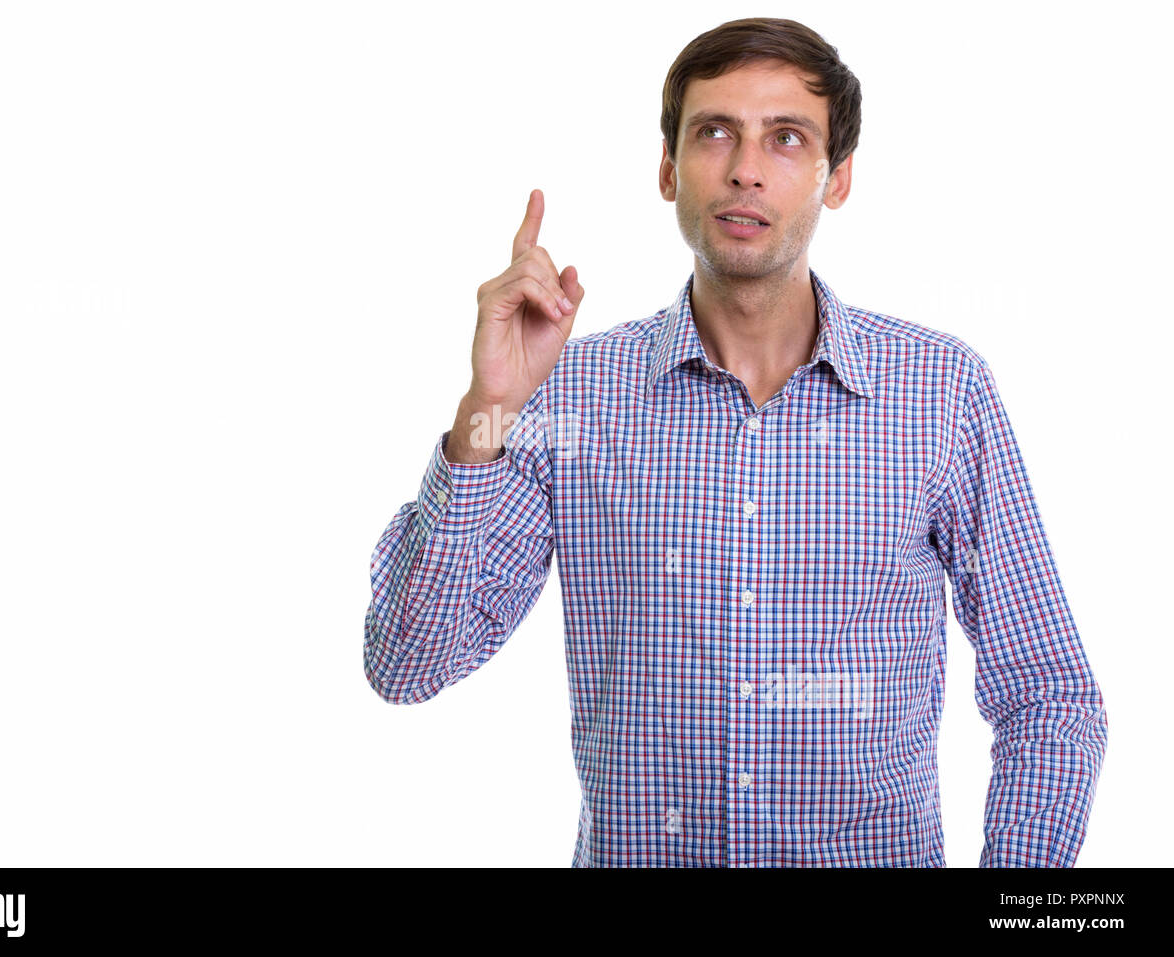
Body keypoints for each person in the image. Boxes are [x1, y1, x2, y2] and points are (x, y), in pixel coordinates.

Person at [364, 17, 1107, 868]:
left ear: (839, 179)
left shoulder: (941, 393)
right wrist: (487, 406)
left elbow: (1049, 694)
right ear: (669, 170)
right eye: (715, 131)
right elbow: (405, 662)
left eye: (786, 138)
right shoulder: (567, 393)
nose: (745, 168)